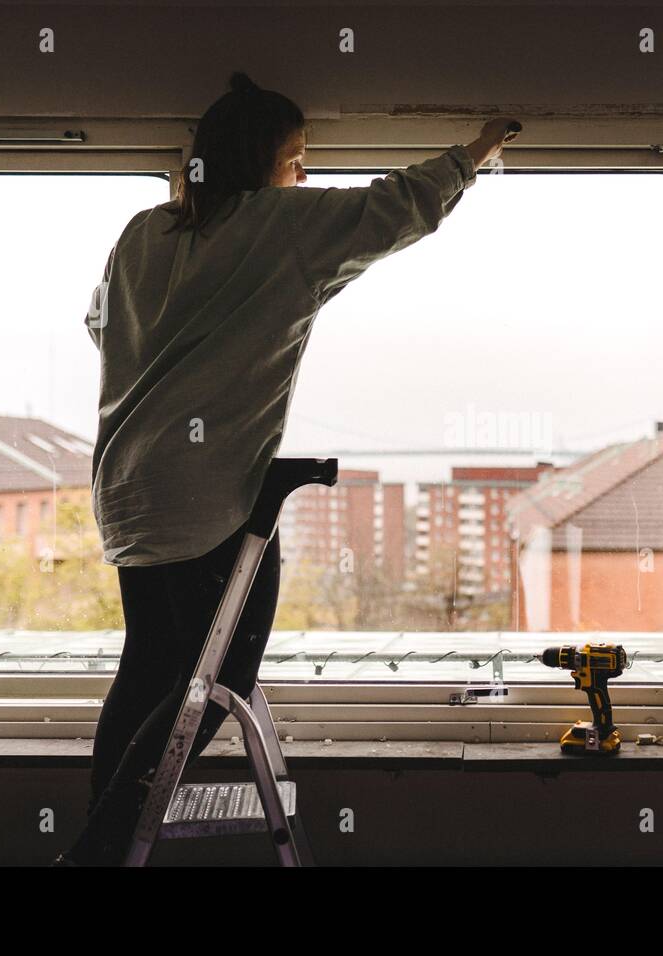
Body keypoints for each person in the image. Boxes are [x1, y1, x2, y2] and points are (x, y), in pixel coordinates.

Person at [55, 71, 518, 865]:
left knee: (149, 668)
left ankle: (97, 838)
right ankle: (98, 852)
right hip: (204, 499)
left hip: (127, 488)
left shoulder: (142, 232)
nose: (303, 175)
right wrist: (479, 147)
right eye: (296, 158)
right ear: (259, 161)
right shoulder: (280, 226)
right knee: (215, 681)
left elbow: (99, 325)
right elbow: (397, 207)